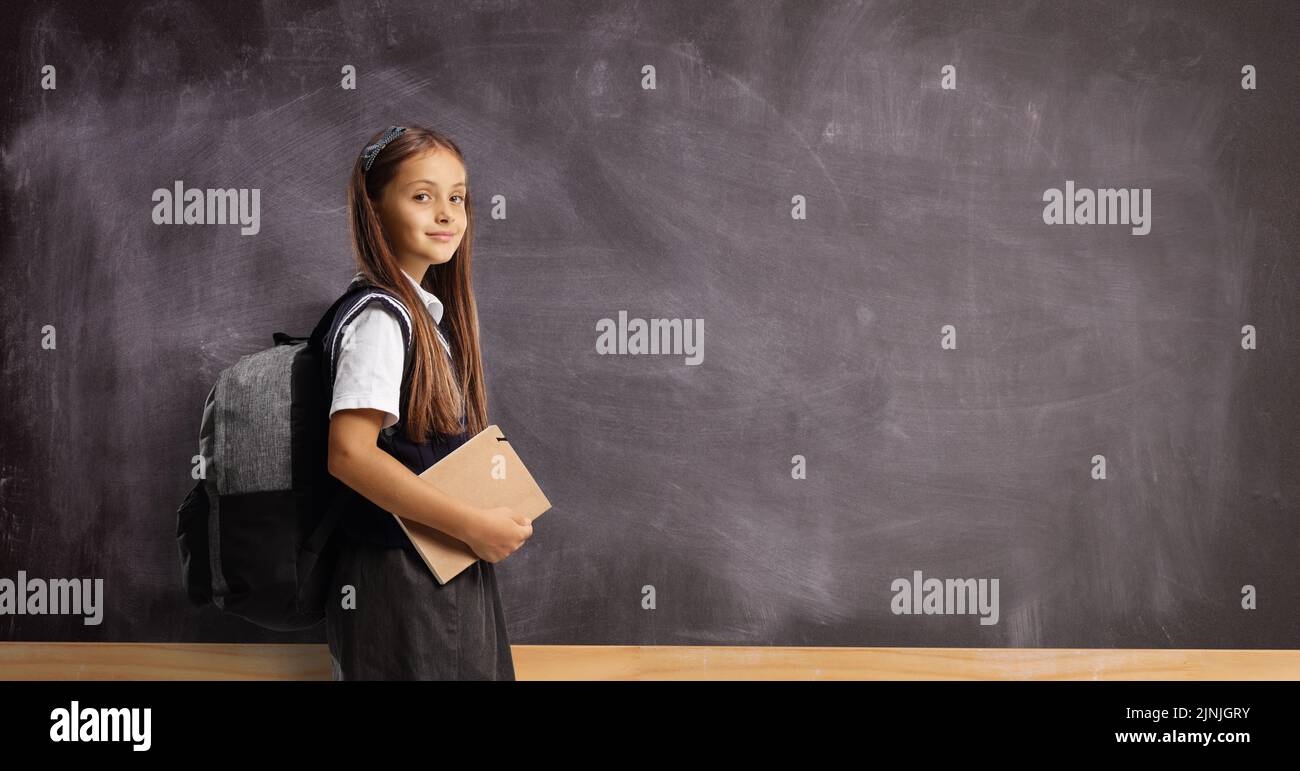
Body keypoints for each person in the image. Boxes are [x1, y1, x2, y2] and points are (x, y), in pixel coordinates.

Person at [324, 125, 532, 680]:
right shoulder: (378, 319)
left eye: (456, 197)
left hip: (441, 567)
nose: (446, 214)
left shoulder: (421, 316)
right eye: (422, 196)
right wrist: (471, 524)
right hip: (406, 576)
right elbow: (349, 455)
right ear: (375, 208)